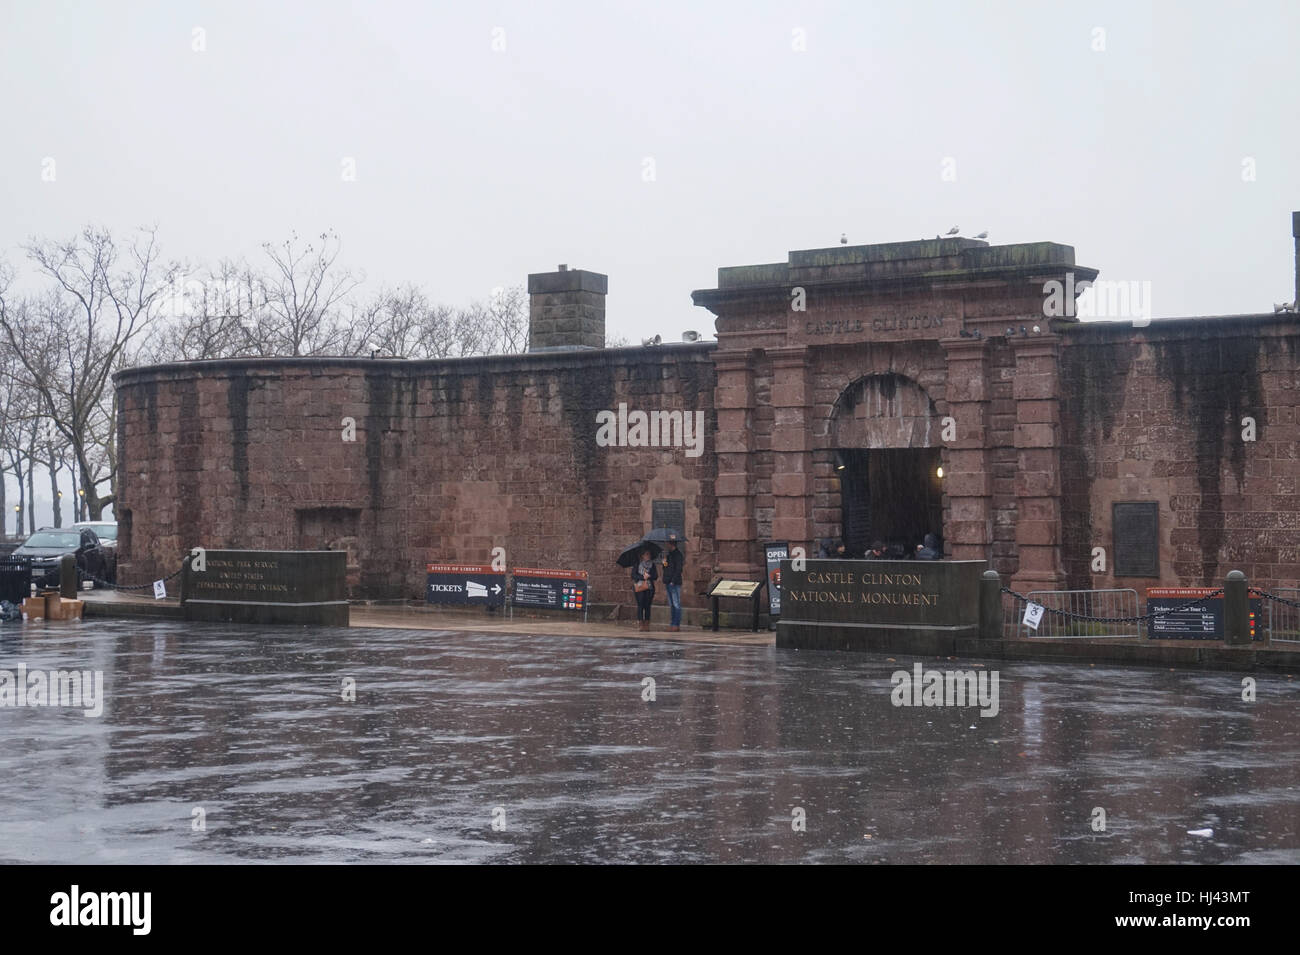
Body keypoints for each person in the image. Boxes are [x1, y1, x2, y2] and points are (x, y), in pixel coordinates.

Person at [631, 547, 658, 631]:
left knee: (647, 606)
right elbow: (633, 575)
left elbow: (656, 576)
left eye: (649, 554)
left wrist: (649, 576)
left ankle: (647, 624)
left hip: (649, 587)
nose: (648, 556)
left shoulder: (652, 564)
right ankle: (640, 623)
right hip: (640, 587)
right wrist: (642, 577)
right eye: (646, 554)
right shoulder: (637, 564)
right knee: (640, 605)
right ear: (642, 556)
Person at [662, 535, 684, 631]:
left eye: (667, 543)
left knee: (676, 604)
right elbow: (666, 568)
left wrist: (673, 581)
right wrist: (664, 563)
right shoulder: (669, 555)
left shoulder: (678, 555)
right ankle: (672, 623)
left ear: (671, 544)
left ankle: (676, 624)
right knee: (671, 604)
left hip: (674, 582)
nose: (666, 545)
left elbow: (678, 569)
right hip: (668, 581)